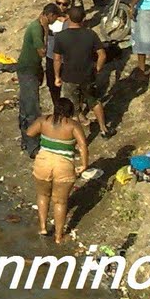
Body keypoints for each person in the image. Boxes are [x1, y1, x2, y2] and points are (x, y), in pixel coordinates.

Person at [24, 97, 87, 243]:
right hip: (63, 165)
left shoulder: (43, 120)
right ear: (70, 111)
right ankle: (58, 236)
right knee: (60, 202)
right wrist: (84, 164)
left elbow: (29, 133)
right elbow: (83, 145)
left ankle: (43, 227)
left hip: (43, 162)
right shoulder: (73, 125)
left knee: (42, 195)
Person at [52, 5, 111, 139]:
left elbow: (57, 59)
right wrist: (97, 69)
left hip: (69, 77)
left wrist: (57, 76)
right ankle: (104, 129)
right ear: (83, 19)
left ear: (68, 19)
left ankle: (80, 139)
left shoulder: (61, 37)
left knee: (73, 110)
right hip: (87, 76)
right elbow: (102, 55)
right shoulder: (90, 34)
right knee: (94, 101)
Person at [15, 5, 53, 159]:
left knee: (25, 108)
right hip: (28, 72)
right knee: (32, 110)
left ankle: (25, 140)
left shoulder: (34, 26)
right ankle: (33, 146)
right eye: (52, 19)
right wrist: (46, 33)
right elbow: (42, 52)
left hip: (29, 70)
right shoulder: (37, 28)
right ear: (48, 15)